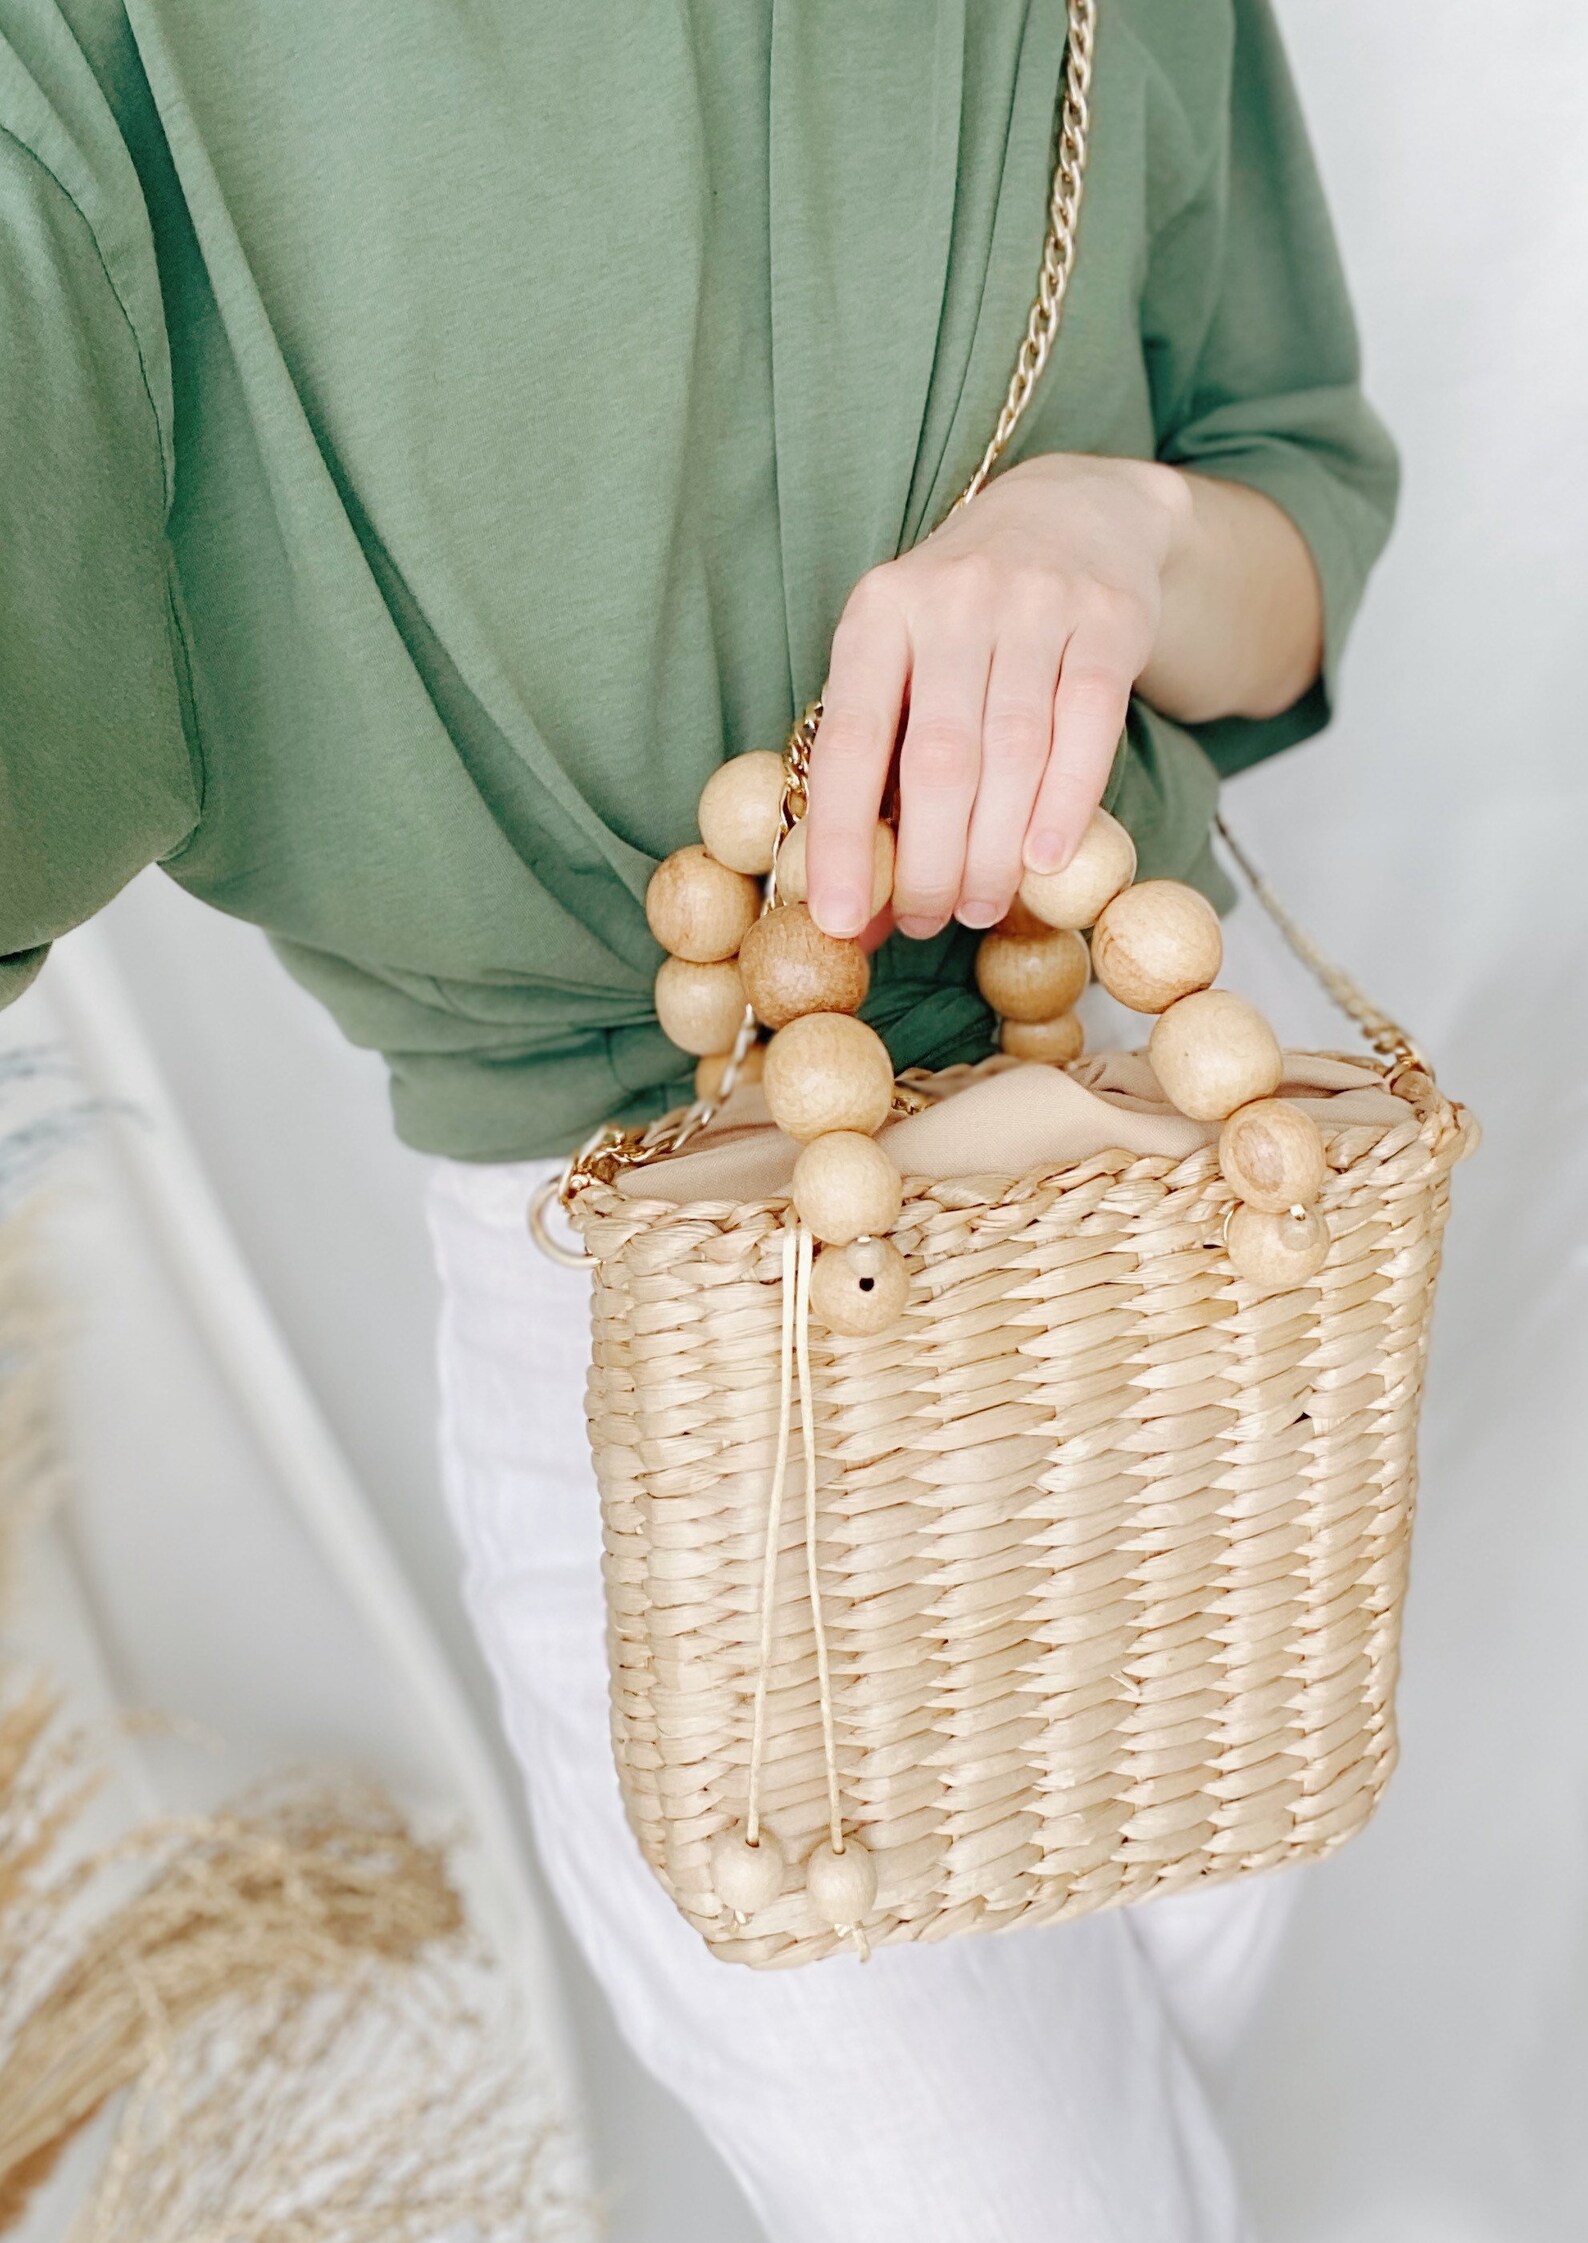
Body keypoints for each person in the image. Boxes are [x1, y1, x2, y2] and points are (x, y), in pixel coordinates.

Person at [1, 3, 1396, 2236]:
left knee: (1164, 2061)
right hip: (667, 1338)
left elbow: (1293, 513)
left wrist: (1107, 532)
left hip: (1169, 1234)